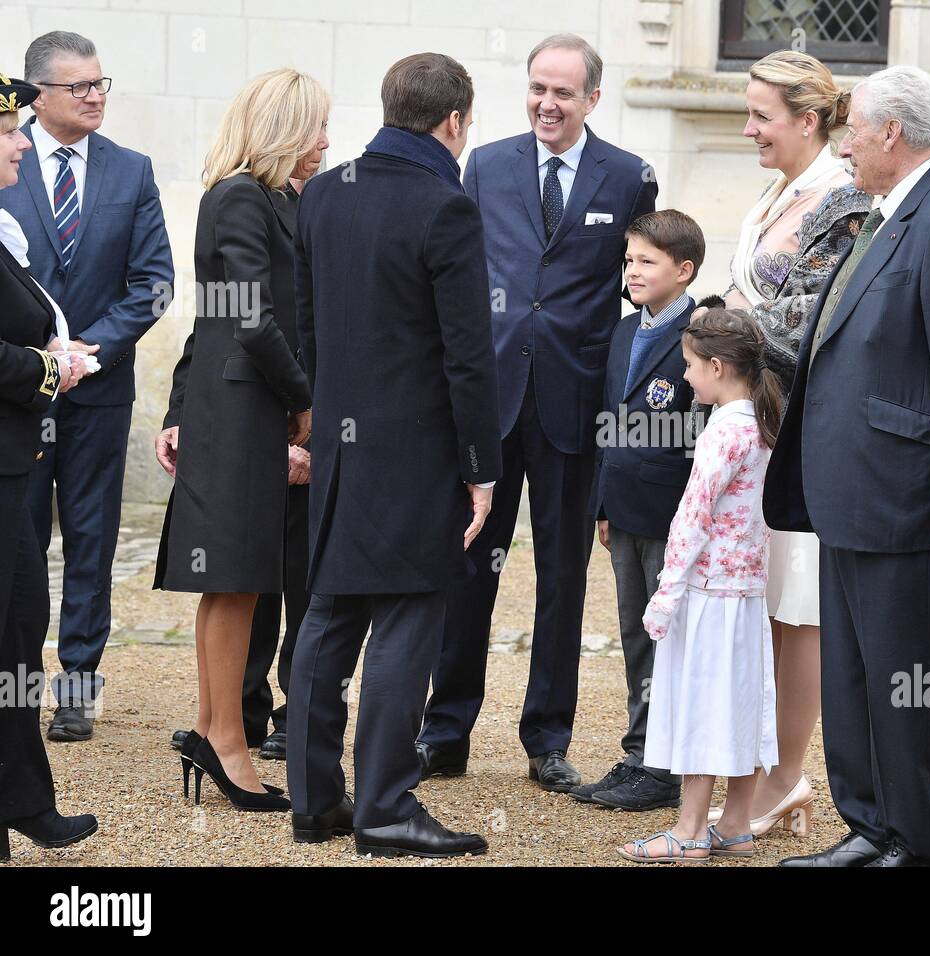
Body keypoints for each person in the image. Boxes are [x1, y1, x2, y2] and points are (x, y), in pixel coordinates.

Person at [766, 66, 930, 868]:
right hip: (851, 490)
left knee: (906, 679)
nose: (845, 142)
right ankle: (870, 825)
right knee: (855, 675)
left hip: (903, 497)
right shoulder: (886, 211)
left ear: (892, 134)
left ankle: (921, 837)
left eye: (854, 128)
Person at [418, 33, 657, 792]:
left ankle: (547, 740)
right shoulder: (486, 165)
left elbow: (637, 287)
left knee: (562, 576)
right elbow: (457, 273)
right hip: (489, 401)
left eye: (562, 92)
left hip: (572, 405)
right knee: (466, 568)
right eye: (536, 89)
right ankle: (444, 730)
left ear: (592, 99)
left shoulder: (627, 177)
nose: (546, 104)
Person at [289, 53, 501, 858]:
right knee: (409, 619)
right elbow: (468, 355)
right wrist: (482, 466)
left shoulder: (323, 196)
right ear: (453, 122)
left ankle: (315, 801)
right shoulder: (445, 206)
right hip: (416, 452)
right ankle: (382, 808)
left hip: (344, 443)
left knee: (332, 614)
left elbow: (308, 326)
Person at [154, 68, 328, 812]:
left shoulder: (275, 199)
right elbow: (246, 318)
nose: (325, 142)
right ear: (284, 129)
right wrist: (305, 404)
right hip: (240, 410)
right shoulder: (239, 197)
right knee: (233, 580)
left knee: (241, 579)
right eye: (316, 127)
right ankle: (225, 741)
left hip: (244, 404)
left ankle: (212, 730)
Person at [713, 49, 872, 836]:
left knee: (797, 606)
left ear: (809, 119)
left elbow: (803, 323)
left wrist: (707, 328)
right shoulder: (777, 191)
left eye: (761, 116)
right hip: (752, 428)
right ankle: (760, 770)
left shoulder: (840, 202)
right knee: (762, 602)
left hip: (797, 432)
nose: (748, 129)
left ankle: (785, 777)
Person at [0, 32, 173, 742]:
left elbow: (154, 281)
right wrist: (39, 358)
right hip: (16, 395)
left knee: (92, 537)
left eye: (102, 84)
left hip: (99, 391)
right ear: (40, 95)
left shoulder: (131, 171)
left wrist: (87, 350)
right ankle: (19, 688)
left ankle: (77, 686)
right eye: (81, 87)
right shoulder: (8, 167)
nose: (97, 96)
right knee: (19, 537)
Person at [615, 308, 781, 863]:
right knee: (741, 701)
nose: (684, 377)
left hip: (710, 590)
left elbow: (693, 516)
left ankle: (688, 830)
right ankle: (734, 825)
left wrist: (667, 591)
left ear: (716, 366)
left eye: (689, 366)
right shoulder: (760, 422)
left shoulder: (723, 431)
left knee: (701, 702)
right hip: (749, 587)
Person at [574, 209, 703, 811]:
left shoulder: (705, 335)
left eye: (646, 261)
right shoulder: (625, 332)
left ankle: (667, 765)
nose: (632, 271)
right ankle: (639, 751)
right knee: (635, 633)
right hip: (623, 507)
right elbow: (611, 423)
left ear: (684, 270)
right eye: (628, 260)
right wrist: (602, 503)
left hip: (673, 512)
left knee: (670, 634)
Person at [0, 70, 97, 861]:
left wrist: (57, 352)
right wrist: (46, 368)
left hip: (12, 463)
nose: (20, 143)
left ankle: (24, 798)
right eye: (6, 133)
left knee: (19, 631)